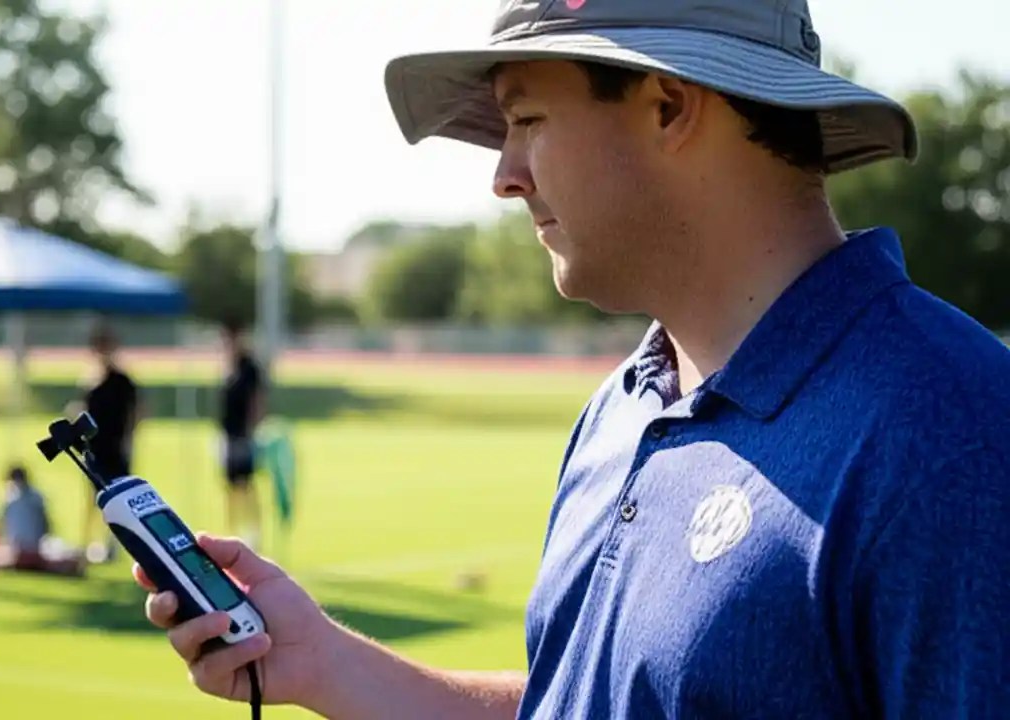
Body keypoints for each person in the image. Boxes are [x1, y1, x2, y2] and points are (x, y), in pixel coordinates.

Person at [135, 2, 1010, 718]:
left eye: (526, 119)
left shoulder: (950, 439)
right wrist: (324, 665)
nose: (503, 175)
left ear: (669, 106)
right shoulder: (626, 407)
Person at [68, 321, 140, 560]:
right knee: (91, 497)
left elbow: (135, 412)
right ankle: (87, 542)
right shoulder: (90, 380)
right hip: (94, 447)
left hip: (115, 445)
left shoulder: (122, 380)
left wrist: (129, 440)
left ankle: (112, 544)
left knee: (116, 499)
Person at [0, 465, 83, 576]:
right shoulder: (37, 496)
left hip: (18, 551)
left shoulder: (9, 498)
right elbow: (47, 527)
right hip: (36, 550)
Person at [217, 318, 266, 551]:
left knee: (246, 484)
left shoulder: (249, 367)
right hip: (228, 432)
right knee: (229, 485)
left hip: (243, 433)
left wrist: (252, 429)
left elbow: (257, 401)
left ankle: (253, 532)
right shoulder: (229, 367)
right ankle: (233, 531)